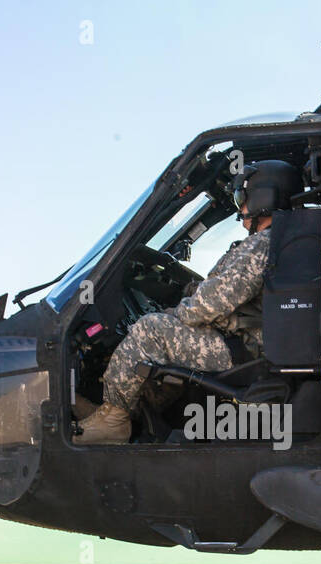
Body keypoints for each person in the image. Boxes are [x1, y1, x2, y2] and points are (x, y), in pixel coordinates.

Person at [77, 159, 302, 444]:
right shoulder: (283, 239)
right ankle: (131, 416)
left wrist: (176, 313)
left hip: (245, 347)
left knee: (151, 330)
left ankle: (114, 420)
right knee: (167, 339)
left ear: (264, 196)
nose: (241, 208)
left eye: (242, 197)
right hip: (253, 342)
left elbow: (212, 303)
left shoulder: (263, 243)